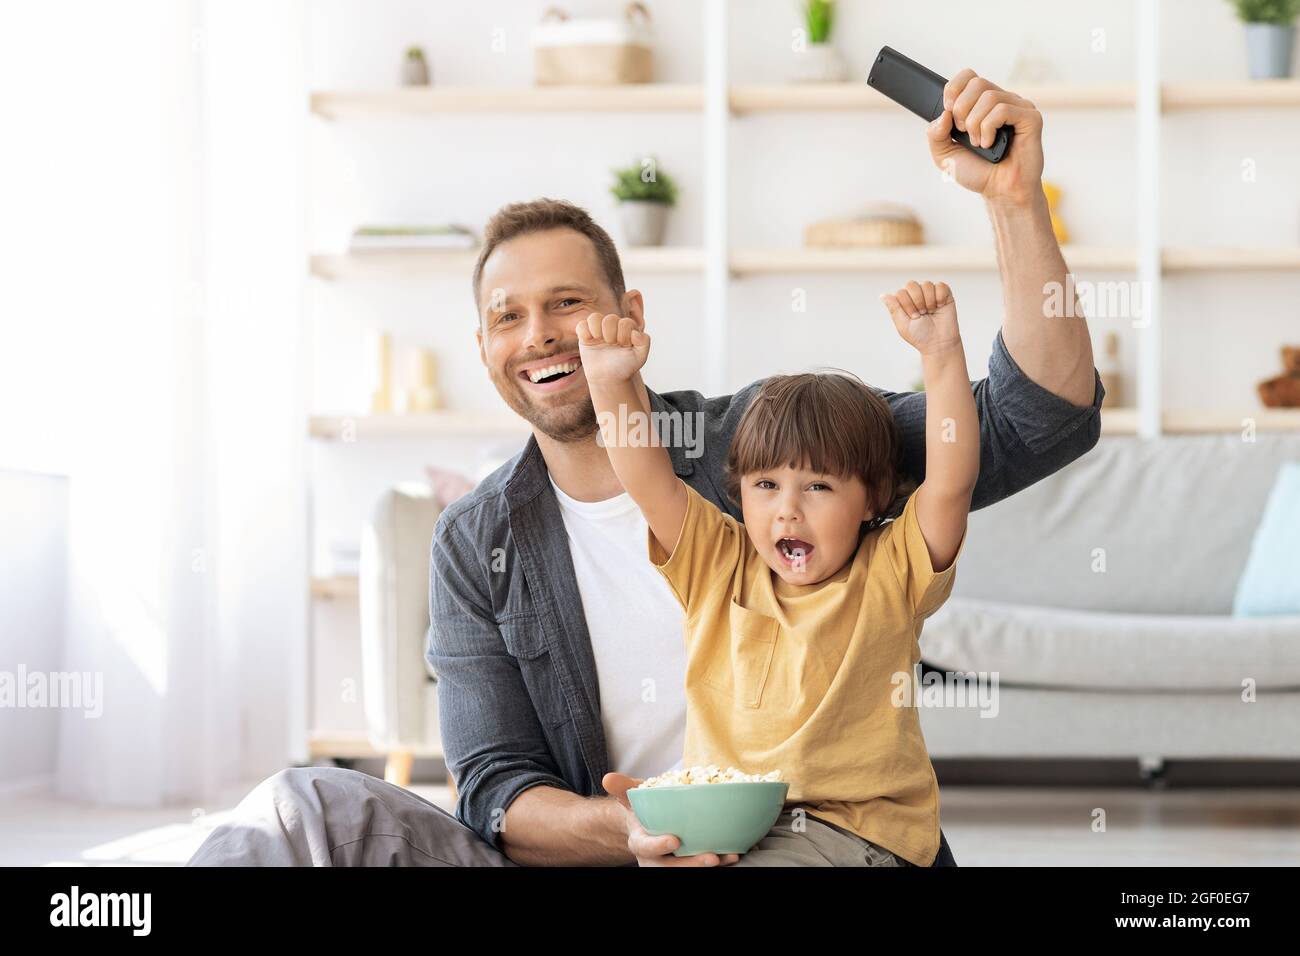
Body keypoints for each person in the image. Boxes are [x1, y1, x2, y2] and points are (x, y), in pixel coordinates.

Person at [188, 69, 1104, 867]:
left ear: (628, 311)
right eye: (509, 316)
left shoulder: (766, 449)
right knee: (301, 812)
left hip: (807, 848)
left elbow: (1041, 419)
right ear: (483, 347)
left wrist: (1015, 201)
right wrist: (625, 833)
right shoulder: (478, 542)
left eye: (567, 303)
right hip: (598, 852)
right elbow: (495, 789)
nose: (539, 333)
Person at [575, 279, 975, 867]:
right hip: (731, 825)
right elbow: (648, 479)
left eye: (818, 486)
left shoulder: (891, 570)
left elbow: (951, 482)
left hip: (858, 831)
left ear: (871, 500)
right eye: (766, 485)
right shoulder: (717, 561)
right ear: (739, 494)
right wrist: (610, 383)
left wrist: (940, 354)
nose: (787, 508)